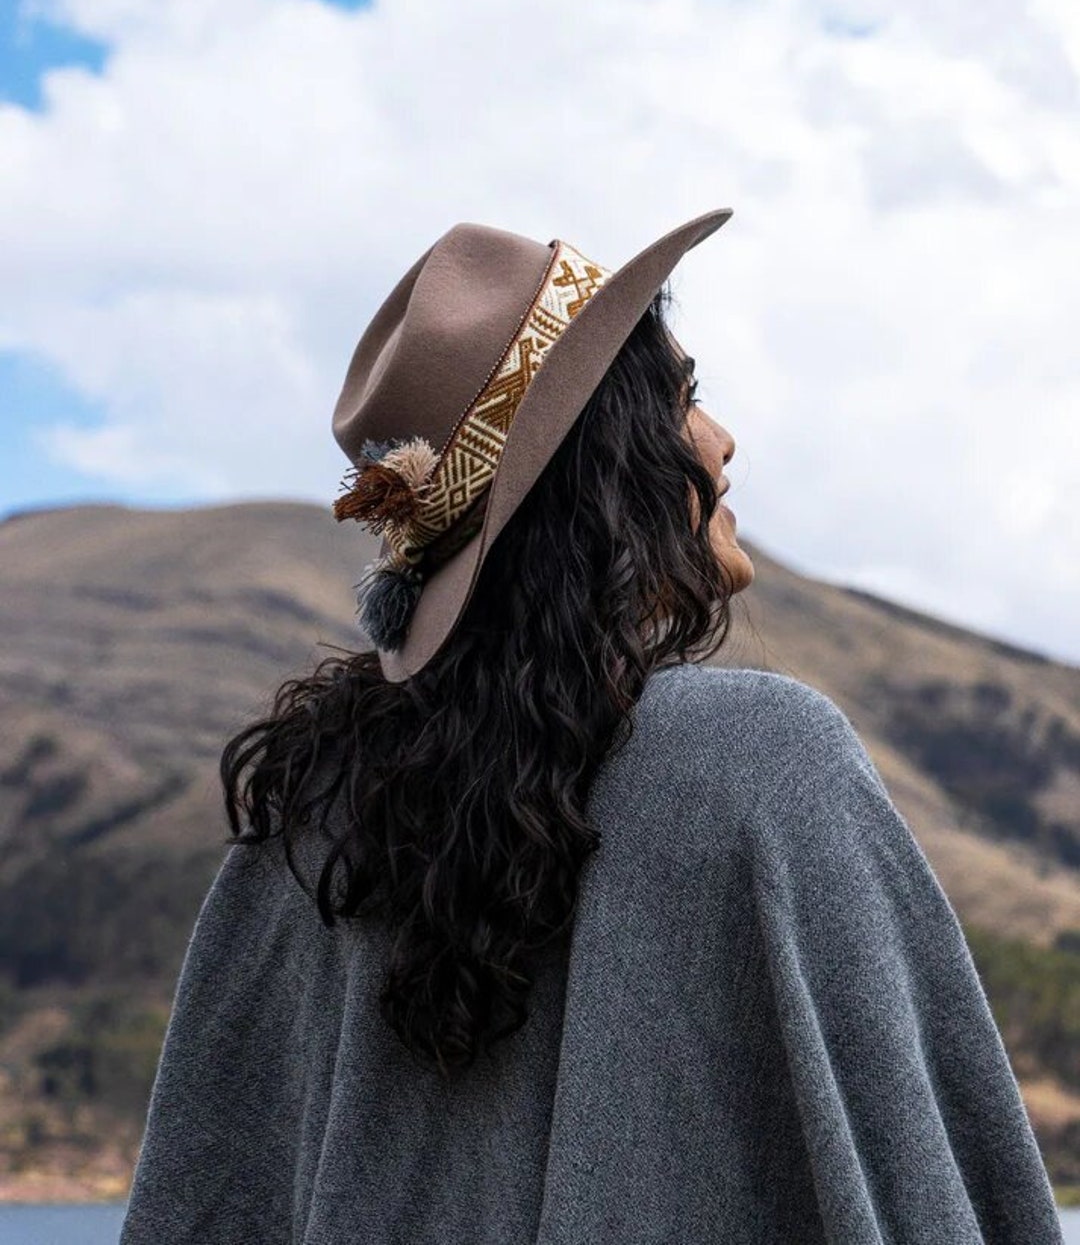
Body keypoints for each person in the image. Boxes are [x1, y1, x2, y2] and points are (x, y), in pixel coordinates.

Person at [120, 209, 1063, 1244]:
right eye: (685, 398)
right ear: (609, 464)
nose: (721, 437)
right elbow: (929, 1195)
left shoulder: (299, 843)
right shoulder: (762, 760)